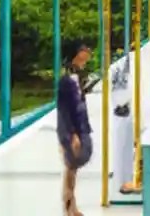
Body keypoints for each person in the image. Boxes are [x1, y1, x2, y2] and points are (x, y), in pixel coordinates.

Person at [57, 40, 94, 216]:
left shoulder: (77, 75)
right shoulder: (66, 79)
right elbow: (65, 110)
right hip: (71, 130)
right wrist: (72, 134)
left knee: (72, 169)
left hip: (78, 126)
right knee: (70, 169)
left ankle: (71, 206)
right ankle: (68, 208)